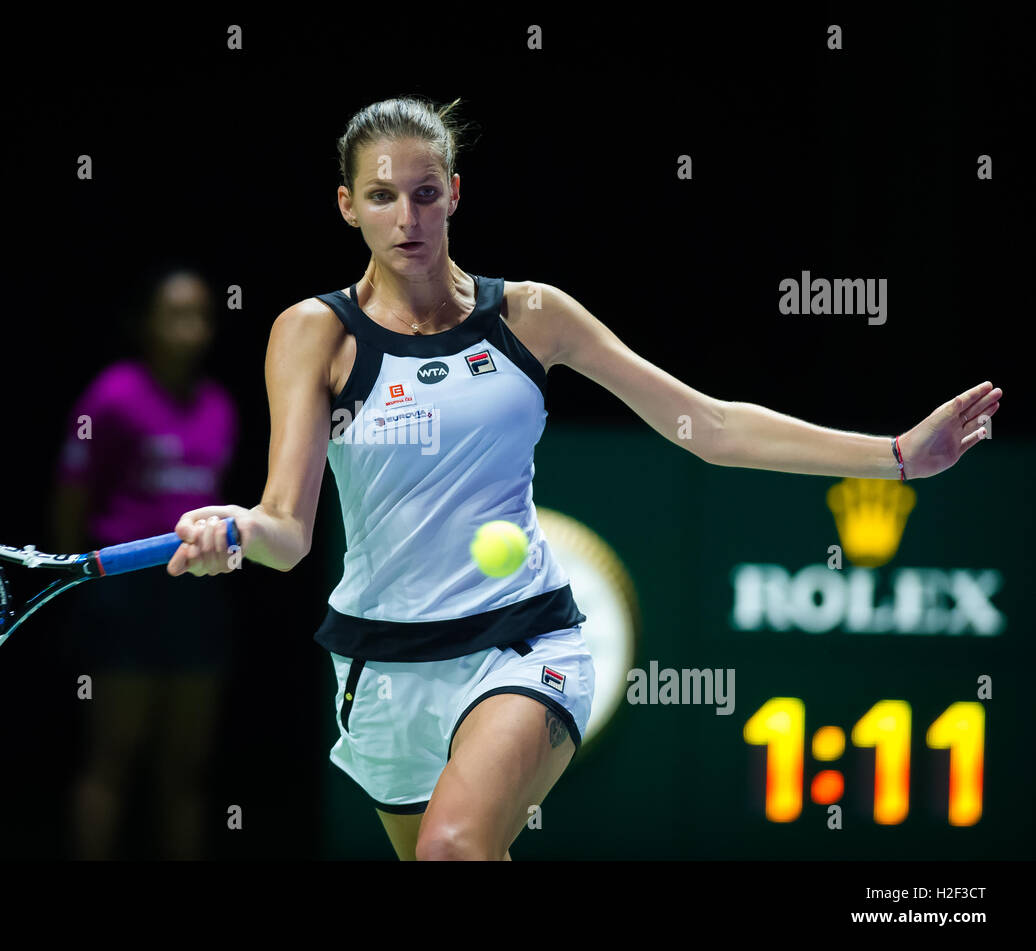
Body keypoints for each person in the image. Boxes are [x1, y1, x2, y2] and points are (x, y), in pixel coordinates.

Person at [161, 96, 1001, 860]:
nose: (406, 215)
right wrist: (230, 532)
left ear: (455, 192)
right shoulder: (314, 333)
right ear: (347, 205)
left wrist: (894, 455)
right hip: (383, 668)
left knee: (451, 850)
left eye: (424, 192)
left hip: (524, 642)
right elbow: (287, 531)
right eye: (381, 196)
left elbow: (705, 426)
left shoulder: (532, 316)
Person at [54, 267, 239, 859]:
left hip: (198, 599)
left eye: (202, 315)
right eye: (177, 314)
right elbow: (71, 499)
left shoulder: (220, 407)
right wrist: (77, 588)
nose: (193, 328)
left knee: (185, 768)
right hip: (124, 596)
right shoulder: (111, 395)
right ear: (146, 324)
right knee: (113, 757)